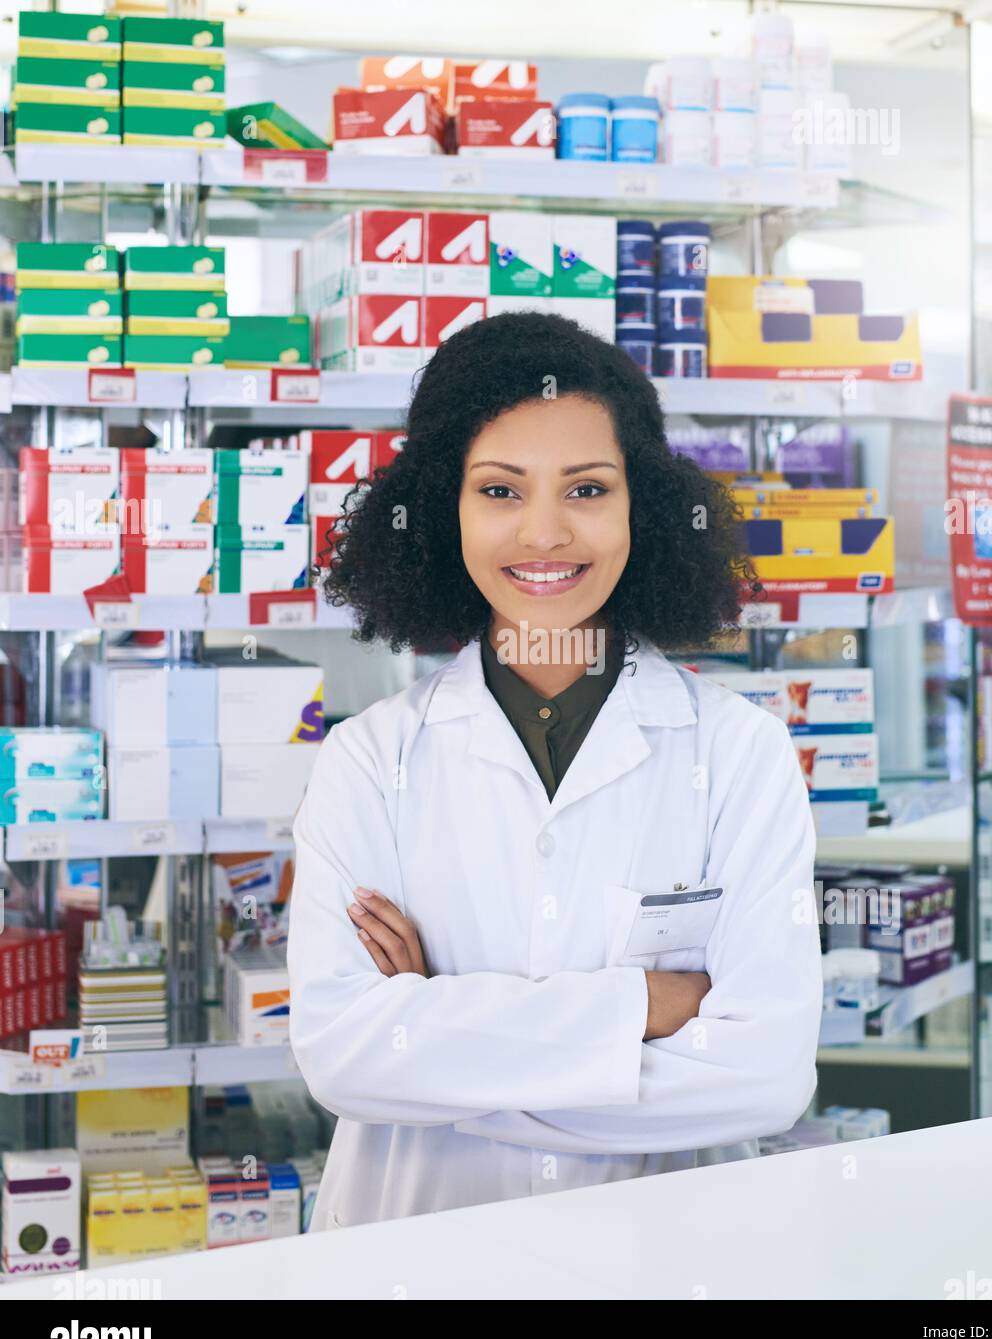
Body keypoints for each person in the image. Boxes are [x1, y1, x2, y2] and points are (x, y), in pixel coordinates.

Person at [287, 311, 822, 1230]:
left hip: (660, 1262)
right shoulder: (370, 760)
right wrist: (647, 1007)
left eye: (586, 488)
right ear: (442, 507)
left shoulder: (740, 752)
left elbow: (766, 1079)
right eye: (499, 490)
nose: (543, 533)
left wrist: (434, 1026)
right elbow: (343, 1059)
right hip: (415, 1261)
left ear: (640, 508)